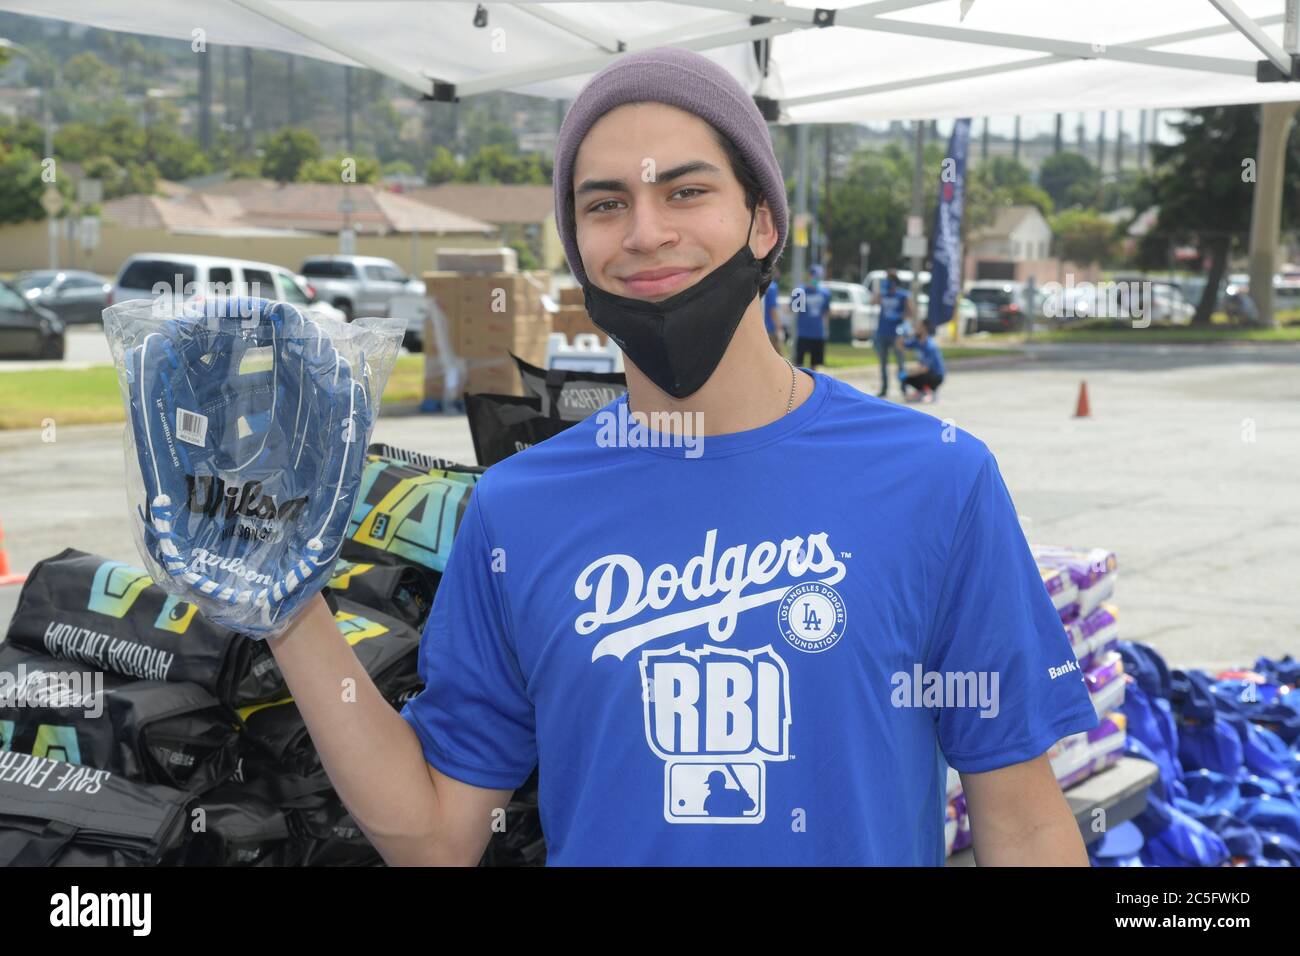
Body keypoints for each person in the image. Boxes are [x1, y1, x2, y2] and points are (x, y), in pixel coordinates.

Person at [267, 46, 1099, 867]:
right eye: (605, 205)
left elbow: (1022, 824)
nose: (646, 232)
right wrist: (285, 605)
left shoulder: (937, 478)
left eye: (686, 191)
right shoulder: (517, 508)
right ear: (578, 248)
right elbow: (436, 838)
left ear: (763, 220)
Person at [871, 270, 912, 398]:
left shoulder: (903, 295)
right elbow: (872, 302)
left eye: (890, 280)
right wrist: (881, 291)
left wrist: (903, 322)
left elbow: (910, 312)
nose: (889, 283)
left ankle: (903, 387)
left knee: (900, 363)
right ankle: (884, 388)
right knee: (883, 362)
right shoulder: (883, 294)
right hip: (882, 332)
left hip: (897, 334)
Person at [793, 263, 832, 369]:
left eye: (819, 277)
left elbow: (826, 313)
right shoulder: (800, 291)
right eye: (815, 276)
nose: (817, 279)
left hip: (818, 334)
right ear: (809, 276)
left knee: (814, 365)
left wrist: (826, 331)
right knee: (798, 365)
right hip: (803, 333)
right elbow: (793, 310)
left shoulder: (825, 293)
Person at [900, 316, 946, 403]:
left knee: (908, 375)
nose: (915, 328)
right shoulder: (917, 342)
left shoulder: (930, 346)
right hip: (926, 372)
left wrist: (909, 373)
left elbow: (925, 369)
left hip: (936, 376)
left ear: (924, 329)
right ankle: (922, 391)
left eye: (918, 326)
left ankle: (929, 391)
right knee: (903, 375)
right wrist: (901, 333)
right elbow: (902, 346)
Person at [762, 272, 783, 353]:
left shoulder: (756, 285)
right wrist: (779, 328)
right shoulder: (772, 287)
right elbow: (773, 310)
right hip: (770, 329)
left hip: (758, 328)